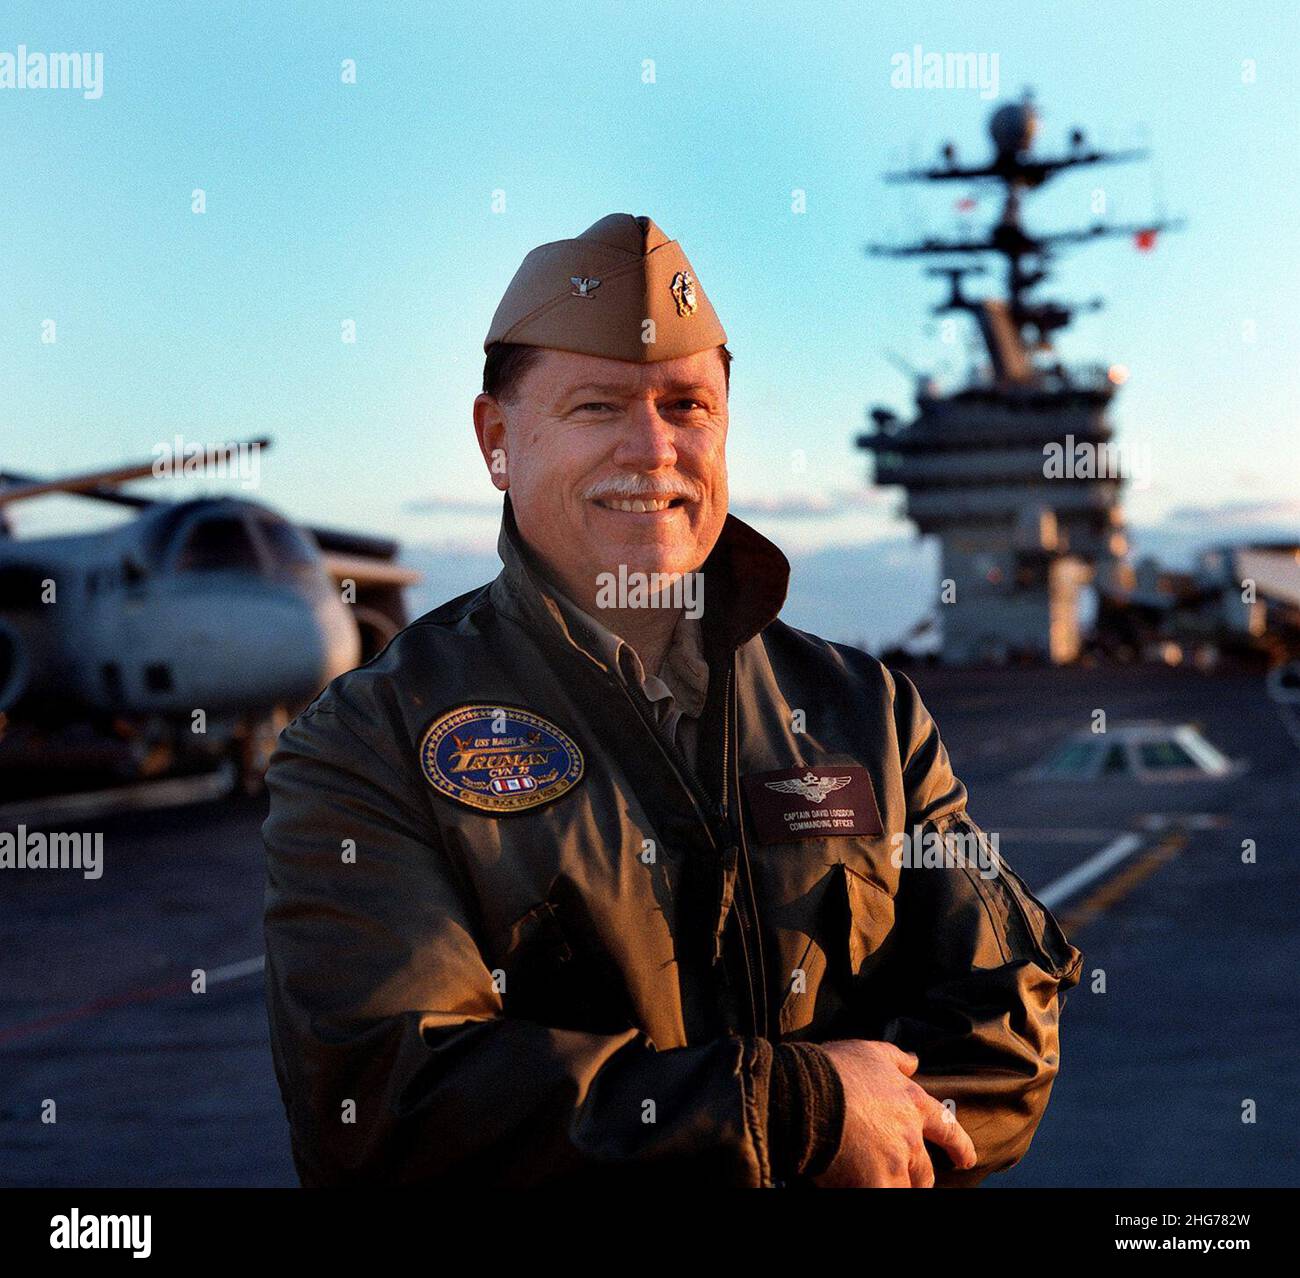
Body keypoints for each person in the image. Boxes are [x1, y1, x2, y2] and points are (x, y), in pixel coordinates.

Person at [262, 213, 1082, 1187]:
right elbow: (390, 1106)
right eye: (597, 408)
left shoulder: (867, 712)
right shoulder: (371, 739)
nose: (652, 449)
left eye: (685, 406)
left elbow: (1006, 1015)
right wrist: (807, 1119)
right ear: (496, 440)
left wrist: (881, 1128)